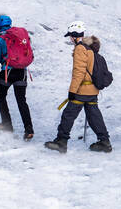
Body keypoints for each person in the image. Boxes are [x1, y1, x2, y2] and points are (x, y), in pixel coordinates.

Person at [45, 22, 111, 154]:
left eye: (70, 36)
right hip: (92, 90)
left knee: (68, 115)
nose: (70, 38)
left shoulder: (80, 49)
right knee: (94, 116)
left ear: (75, 36)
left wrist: (72, 91)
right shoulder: (89, 48)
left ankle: (61, 142)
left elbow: (79, 72)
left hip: (82, 90)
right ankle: (104, 142)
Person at [0, 14, 34, 140]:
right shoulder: (20, 37)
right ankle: (29, 129)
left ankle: (7, 124)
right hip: (21, 72)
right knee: (21, 100)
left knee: (1, 96)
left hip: (7, 72)